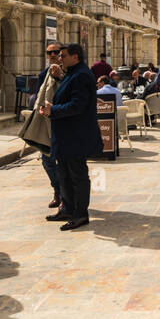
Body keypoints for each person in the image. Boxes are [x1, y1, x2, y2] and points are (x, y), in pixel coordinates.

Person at [39, 43, 100, 229]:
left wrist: (53, 110)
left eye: (63, 55)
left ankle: (80, 214)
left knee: (77, 175)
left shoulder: (81, 75)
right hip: (66, 136)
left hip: (76, 136)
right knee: (64, 173)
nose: (59, 58)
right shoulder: (72, 73)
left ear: (75, 57)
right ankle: (67, 208)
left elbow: (77, 105)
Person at [31, 44, 65, 210]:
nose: (52, 54)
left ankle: (66, 195)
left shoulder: (68, 72)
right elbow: (38, 97)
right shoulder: (43, 74)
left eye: (55, 52)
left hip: (64, 123)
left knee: (65, 163)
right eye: (49, 52)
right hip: (47, 125)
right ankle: (57, 191)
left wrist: (60, 77)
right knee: (47, 161)